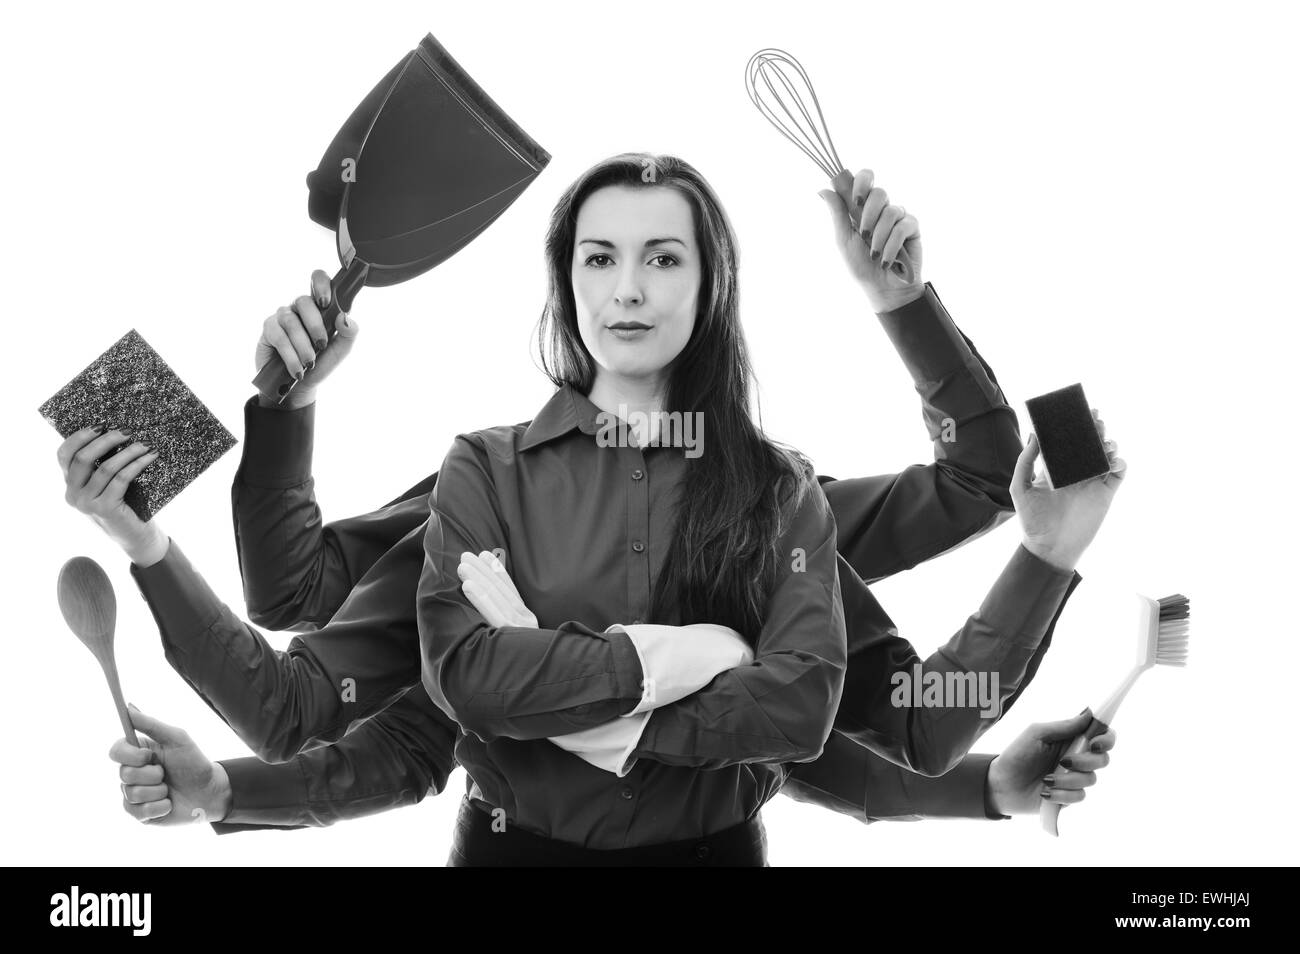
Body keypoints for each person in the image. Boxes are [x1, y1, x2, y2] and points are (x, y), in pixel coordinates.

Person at [62, 155, 1124, 863]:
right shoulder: (479, 481)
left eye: (664, 257)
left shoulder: (773, 498)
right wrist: (218, 464)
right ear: (565, 283)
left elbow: (880, 726)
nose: (628, 289)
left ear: (710, 286)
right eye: (598, 256)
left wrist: (900, 300)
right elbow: (307, 678)